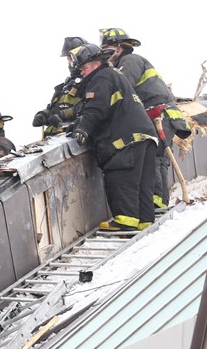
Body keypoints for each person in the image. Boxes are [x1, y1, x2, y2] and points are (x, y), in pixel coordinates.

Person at [66, 43, 160, 231]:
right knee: (142, 185)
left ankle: (125, 221)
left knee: (121, 178)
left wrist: (83, 128)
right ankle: (144, 221)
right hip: (146, 137)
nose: (82, 73)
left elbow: (96, 107)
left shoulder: (101, 77)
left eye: (84, 68)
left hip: (125, 142)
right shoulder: (115, 75)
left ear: (95, 63)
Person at [99, 27, 192, 210]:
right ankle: (157, 199)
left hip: (159, 115)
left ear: (118, 48)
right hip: (158, 115)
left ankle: (157, 201)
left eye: (108, 49)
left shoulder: (129, 60)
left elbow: (123, 87)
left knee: (155, 158)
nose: (106, 55)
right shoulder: (127, 62)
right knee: (157, 157)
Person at [31, 36, 89, 137]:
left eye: (71, 57)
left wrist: (63, 115)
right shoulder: (66, 85)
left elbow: (90, 108)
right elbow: (54, 107)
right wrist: (43, 114)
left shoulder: (90, 81)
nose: (69, 61)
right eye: (68, 58)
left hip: (73, 137)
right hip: (53, 139)